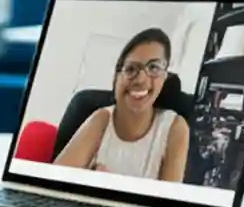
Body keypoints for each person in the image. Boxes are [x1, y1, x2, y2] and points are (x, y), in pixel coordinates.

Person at [53, 28, 189, 182]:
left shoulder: (175, 127)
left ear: (165, 77)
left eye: (154, 68)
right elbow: (54, 182)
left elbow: (167, 203)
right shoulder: (101, 118)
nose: (141, 80)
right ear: (117, 77)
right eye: (131, 69)